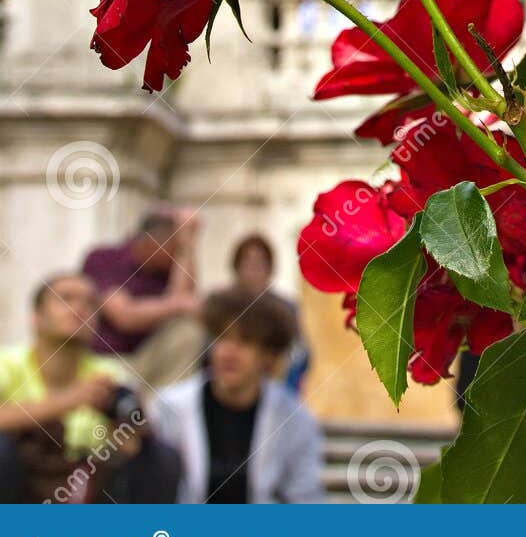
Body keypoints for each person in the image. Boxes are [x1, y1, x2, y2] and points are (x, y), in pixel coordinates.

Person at [0, 274, 179, 504]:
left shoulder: (111, 373)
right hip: (19, 489)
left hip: (88, 486)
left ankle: (140, 536)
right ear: (36, 317)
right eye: (65, 298)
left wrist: (129, 426)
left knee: (160, 456)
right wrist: (71, 400)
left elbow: (131, 447)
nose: (79, 308)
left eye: (90, 303)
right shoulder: (7, 362)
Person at [153, 288, 322, 503]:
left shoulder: (294, 420)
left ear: (267, 356)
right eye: (222, 338)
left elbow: (306, 499)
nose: (229, 353)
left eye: (245, 342)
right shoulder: (170, 407)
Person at [82, 208, 203, 391]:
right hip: (106, 361)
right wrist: (178, 304)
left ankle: (163, 409)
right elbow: (124, 316)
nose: (177, 257)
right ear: (153, 243)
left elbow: (183, 304)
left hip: (146, 361)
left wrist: (188, 245)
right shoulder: (104, 258)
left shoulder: (166, 270)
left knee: (188, 330)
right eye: (175, 249)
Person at [230, 234, 309, 393]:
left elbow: (300, 351)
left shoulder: (286, 309)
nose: (253, 271)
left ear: (270, 269)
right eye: (248, 264)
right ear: (237, 268)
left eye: (259, 264)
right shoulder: (225, 307)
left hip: (276, 381)